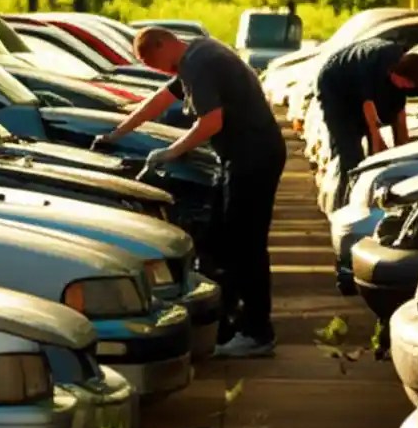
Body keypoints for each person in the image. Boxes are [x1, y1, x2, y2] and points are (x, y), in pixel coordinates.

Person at [95, 27, 286, 358]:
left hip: (252, 158)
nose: (155, 69)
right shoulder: (197, 54)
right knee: (225, 238)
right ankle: (235, 320)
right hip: (249, 155)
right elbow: (161, 99)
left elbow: (211, 122)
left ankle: (258, 331)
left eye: (151, 61)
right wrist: (117, 132)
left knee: (246, 243)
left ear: (162, 46)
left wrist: (170, 152)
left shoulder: (199, 64)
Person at [316, 37, 418, 209]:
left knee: (372, 149)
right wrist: (379, 151)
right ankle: (345, 204)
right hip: (336, 88)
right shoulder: (373, 68)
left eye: (409, 87)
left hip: (360, 89)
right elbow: (373, 124)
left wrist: (402, 156)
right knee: (350, 152)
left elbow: (399, 119)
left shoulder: (400, 73)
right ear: (398, 74)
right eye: (406, 84)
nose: (406, 88)